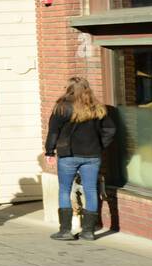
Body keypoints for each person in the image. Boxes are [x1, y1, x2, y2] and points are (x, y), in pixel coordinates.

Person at [45, 76, 116, 242]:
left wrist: (49, 151)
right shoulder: (98, 108)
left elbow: (53, 131)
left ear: (69, 88)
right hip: (92, 155)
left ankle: (65, 231)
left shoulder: (62, 108)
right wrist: (100, 145)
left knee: (64, 189)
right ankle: (88, 232)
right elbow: (110, 130)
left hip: (68, 155)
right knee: (91, 190)